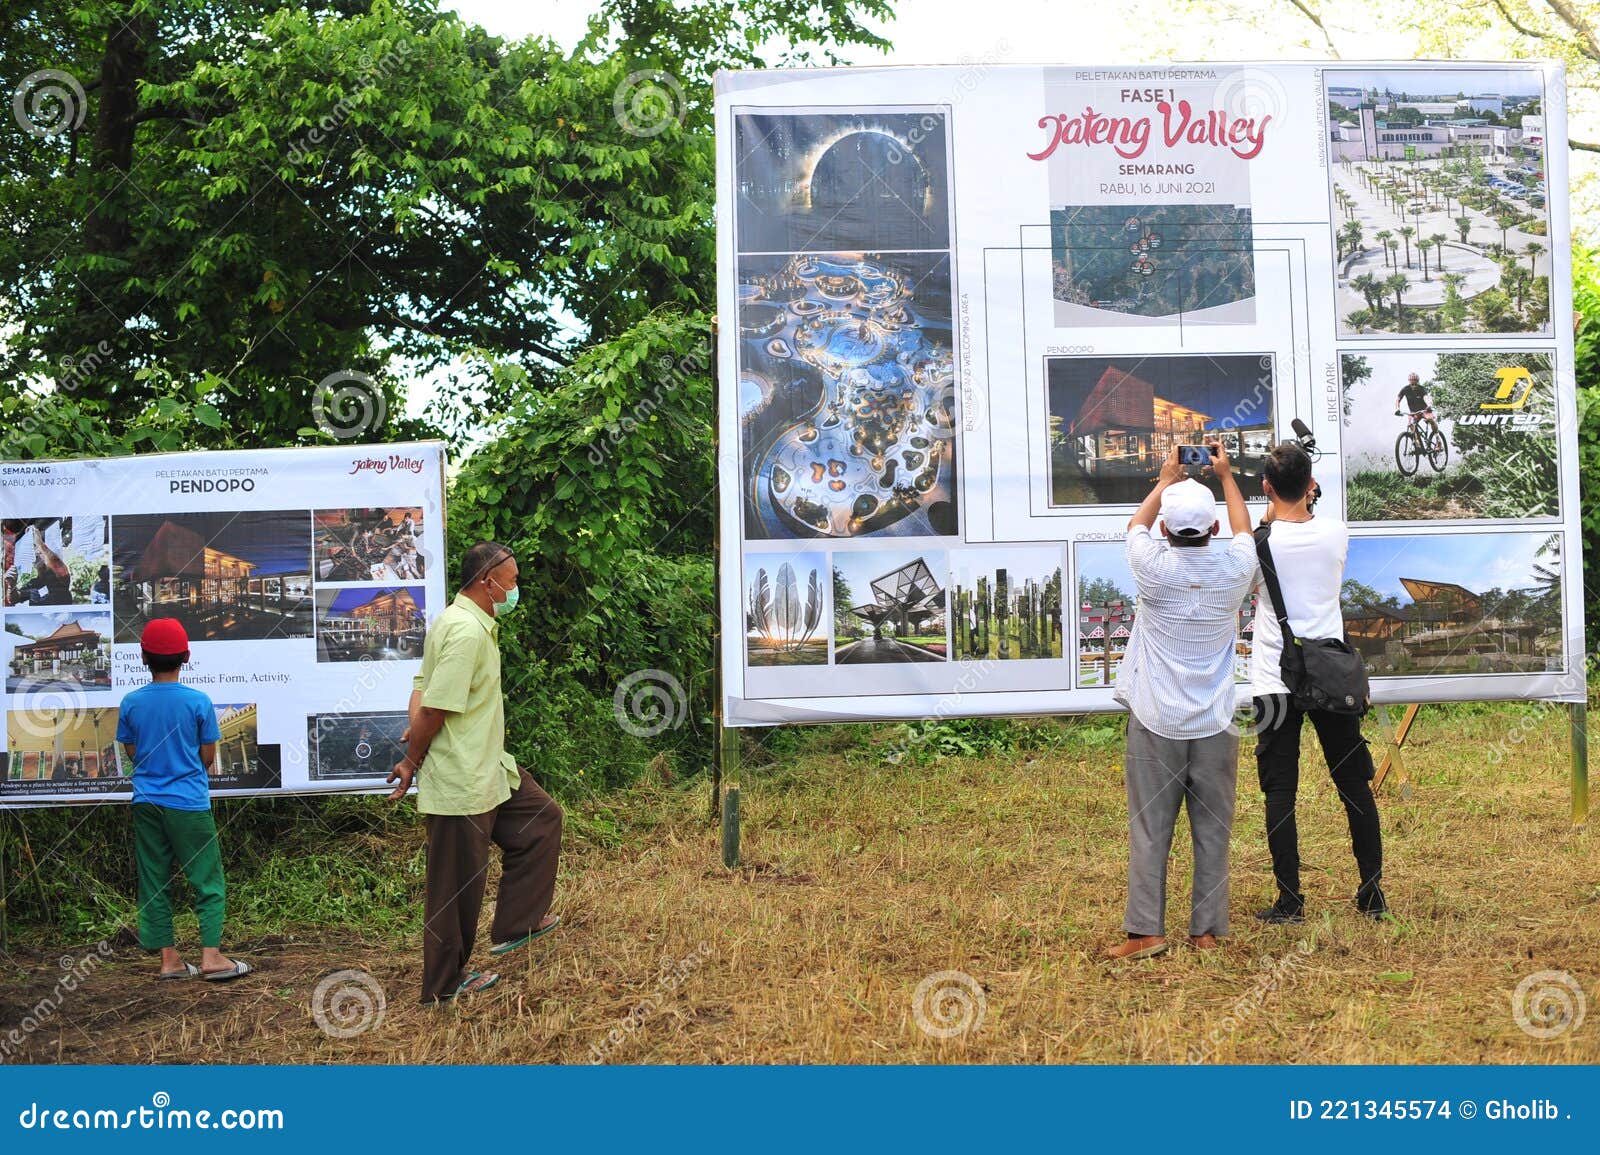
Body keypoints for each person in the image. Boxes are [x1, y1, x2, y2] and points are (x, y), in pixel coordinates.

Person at [388, 541, 563, 1003]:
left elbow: (421, 690)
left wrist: (417, 727)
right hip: (461, 779)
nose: (516, 587)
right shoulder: (464, 632)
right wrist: (412, 760)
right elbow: (434, 706)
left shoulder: (459, 621)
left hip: (490, 771)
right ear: (488, 582)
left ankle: (516, 925)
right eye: (513, 580)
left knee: (541, 819)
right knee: (455, 886)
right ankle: (443, 986)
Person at [1108, 444, 1258, 960]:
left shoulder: (1151, 565)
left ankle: (1146, 932)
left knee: (1151, 830)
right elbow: (1244, 530)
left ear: (1167, 530)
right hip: (1216, 720)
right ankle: (1207, 931)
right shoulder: (1237, 567)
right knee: (1213, 831)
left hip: (1155, 719)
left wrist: (1164, 479)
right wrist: (1227, 477)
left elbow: (1135, 526)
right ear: (1212, 528)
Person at [1249, 442, 1387, 923]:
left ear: (1266, 487)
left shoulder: (1258, 542)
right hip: (1332, 676)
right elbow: (1303, 516)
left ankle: (1290, 900)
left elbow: (1266, 538)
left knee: (1280, 791)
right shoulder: (1336, 533)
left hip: (1273, 677)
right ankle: (1372, 895)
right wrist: (1301, 495)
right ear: (1311, 486)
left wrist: (1273, 500)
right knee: (1354, 785)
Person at [116, 618, 251, 981]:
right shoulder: (198, 701)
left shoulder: (131, 702)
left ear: (143, 657)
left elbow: (133, 751)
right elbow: (207, 755)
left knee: (154, 879)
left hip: (146, 802)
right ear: (186, 656)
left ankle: (170, 961)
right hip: (189, 803)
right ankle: (211, 958)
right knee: (207, 879)